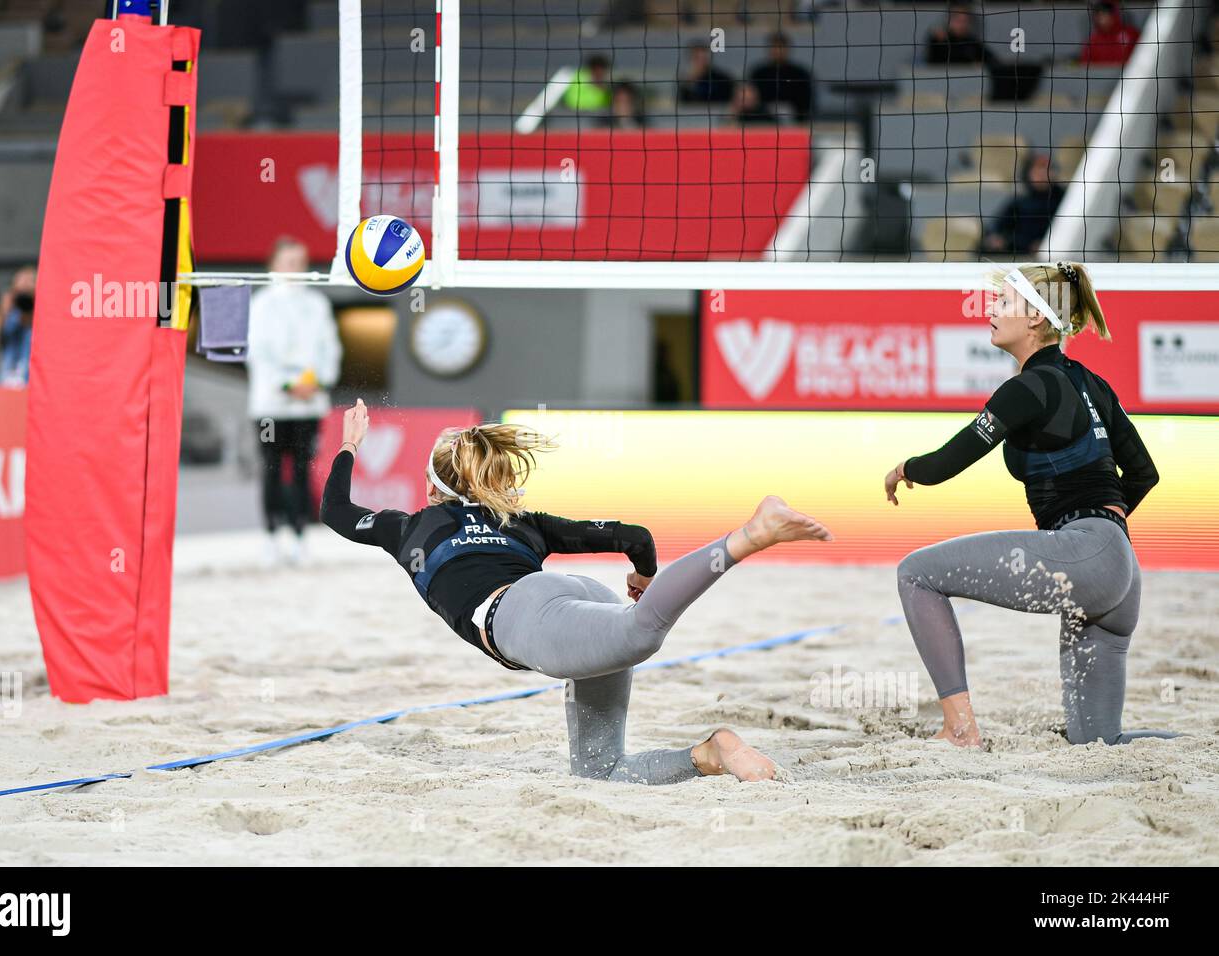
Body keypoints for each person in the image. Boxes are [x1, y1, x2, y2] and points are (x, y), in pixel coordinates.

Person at [322, 400, 834, 784]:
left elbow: (336, 511)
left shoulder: (405, 527)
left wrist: (349, 445)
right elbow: (635, 536)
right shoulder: (521, 521)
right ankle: (711, 754)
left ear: (433, 489)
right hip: (574, 599)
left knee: (642, 634)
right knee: (601, 771)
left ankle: (748, 537)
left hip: (524, 615)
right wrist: (643, 577)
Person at [885, 262, 1176, 748]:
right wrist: (1107, 527)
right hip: (1120, 572)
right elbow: (1145, 473)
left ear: (1036, 319)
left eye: (1004, 304)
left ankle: (960, 731)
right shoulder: (1094, 384)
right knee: (1099, 743)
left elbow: (944, 464)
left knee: (916, 574)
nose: (991, 312)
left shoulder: (1026, 389)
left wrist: (904, 469)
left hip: (1084, 556)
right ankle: (1182, 743)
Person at [247, 237, 343, 565]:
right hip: (270, 405)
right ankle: (272, 536)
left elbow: (330, 349)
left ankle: (301, 537)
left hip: (308, 403)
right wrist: (287, 384)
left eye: (300, 262)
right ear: (274, 265)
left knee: (303, 470)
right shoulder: (261, 304)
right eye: (289, 262)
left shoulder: (317, 304)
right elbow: (258, 352)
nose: (295, 269)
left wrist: (315, 382)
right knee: (272, 469)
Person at [981, 154, 1066, 256]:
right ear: (1028, 173)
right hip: (1020, 255)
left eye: (1047, 169)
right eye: (1039, 169)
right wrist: (995, 238)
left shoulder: (1065, 200)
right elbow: (995, 228)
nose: (1043, 173)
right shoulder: (1019, 202)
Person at [0, 265, 37, 388]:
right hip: (6, 391)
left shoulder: (45, 323)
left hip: (31, 392)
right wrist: (2, 314)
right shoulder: (9, 321)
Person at [748, 33, 812, 122]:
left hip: (792, 118)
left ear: (788, 49)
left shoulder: (800, 73)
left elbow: (806, 103)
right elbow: (751, 100)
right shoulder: (758, 73)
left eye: (781, 47)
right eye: (774, 47)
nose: (777, 50)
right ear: (769, 49)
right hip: (762, 117)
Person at [925, 6, 993, 66]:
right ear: (949, 21)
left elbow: (991, 59)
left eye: (965, 21)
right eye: (958, 21)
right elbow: (933, 62)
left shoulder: (972, 41)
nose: (962, 25)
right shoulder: (939, 40)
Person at [1080, 1, 1139, 66]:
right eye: (1098, 15)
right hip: (1100, 75)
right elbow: (1085, 65)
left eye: (1104, 14)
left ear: (1113, 15)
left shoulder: (1131, 34)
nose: (1101, 19)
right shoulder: (1093, 40)